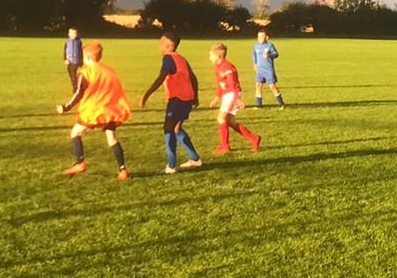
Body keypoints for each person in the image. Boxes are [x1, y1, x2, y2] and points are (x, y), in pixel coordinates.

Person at [57, 41, 131, 179]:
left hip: (93, 111)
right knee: (112, 138)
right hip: (110, 111)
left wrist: (66, 107)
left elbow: (79, 93)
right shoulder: (109, 70)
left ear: (88, 57)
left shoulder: (86, 72)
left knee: (75, 132)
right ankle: (122, 170)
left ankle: (80, 163)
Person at [141, 32, 202, 174]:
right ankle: (195, 159)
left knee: (168, 129)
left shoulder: (168, 58)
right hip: (187, 98)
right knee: (177, 129)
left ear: (168, 45)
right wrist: (196, 96)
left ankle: (171, 166)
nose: (159, 45)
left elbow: (161, 78)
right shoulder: (181, 58)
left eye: (161, 42)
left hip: (178, 99)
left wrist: (146, 95)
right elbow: (194, 78)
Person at [208, 43, 261, 154]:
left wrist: (237, 99)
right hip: (228, 94)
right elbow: (220, 84)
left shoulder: (228, 67)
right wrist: (217, 98)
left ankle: (225, 147)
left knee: (221, 118)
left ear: (218, 56)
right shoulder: (217, 67)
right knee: (231, 122)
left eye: (211, 55)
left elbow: (233, 84)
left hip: (233, 94)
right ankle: (254, 138)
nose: (209, 58)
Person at [252, 30, 285, 107]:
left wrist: (269, 55)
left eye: (261, 36)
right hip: (259, 70)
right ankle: (259, 105)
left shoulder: (270, 45)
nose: (259, 38)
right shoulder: (255, 46)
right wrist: (255, 63)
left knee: (272, 86)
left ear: (266, 37)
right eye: (258, 36)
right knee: (258, 85)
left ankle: (281, 104)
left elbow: (276, 54)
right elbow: (254, 55)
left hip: (268, 70)